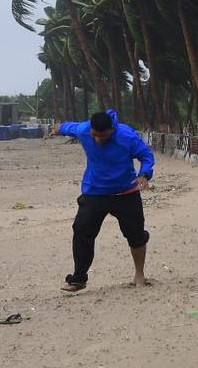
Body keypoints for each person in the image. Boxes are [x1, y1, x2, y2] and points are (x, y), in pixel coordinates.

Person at [49, 109, 155, 293]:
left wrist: (144, 174)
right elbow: (68, 127)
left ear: (112, 130)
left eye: (102, 136)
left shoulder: (127, 135)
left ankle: (139, 274)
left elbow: (146, 156)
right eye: (94, 135)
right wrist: (57, 128)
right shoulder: (84, 130)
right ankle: (78, 279)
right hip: (94, 193)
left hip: (126, 193)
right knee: (82, 231)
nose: (97, 140)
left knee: (136, 235)